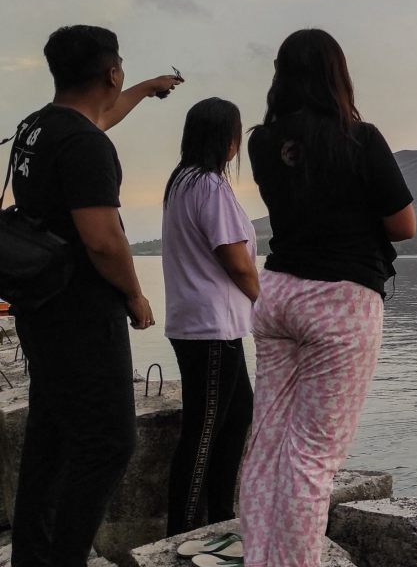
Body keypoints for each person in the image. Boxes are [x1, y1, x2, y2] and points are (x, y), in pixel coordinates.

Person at [239, 28, 415, 567]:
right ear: (337, 75)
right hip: (340, 301)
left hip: (277, 292)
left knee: (267, 442)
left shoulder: (261, 142)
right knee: (313, 457)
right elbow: (403, 225)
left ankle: (260, 559)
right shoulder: (360, 139)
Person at [8, 25, 181, 566]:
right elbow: (104, 241)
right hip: (81, 311)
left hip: (40, 304)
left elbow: (101, 116)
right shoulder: (86, 145)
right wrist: (136, 296)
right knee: (109, 442)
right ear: (111, 72)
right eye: (122, 67)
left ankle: (33, 555)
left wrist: (148, 88)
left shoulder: (39, 126)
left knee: (53, 429)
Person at [162, 97, 258, 536]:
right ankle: (181, 534)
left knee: (237, 416)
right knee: (203, 433)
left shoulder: (182, 181)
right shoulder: (210, 186)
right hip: (210, 326)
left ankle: (221, 519)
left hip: (201, 322)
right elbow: (236, 260)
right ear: (227, 140)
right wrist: (265, 302)